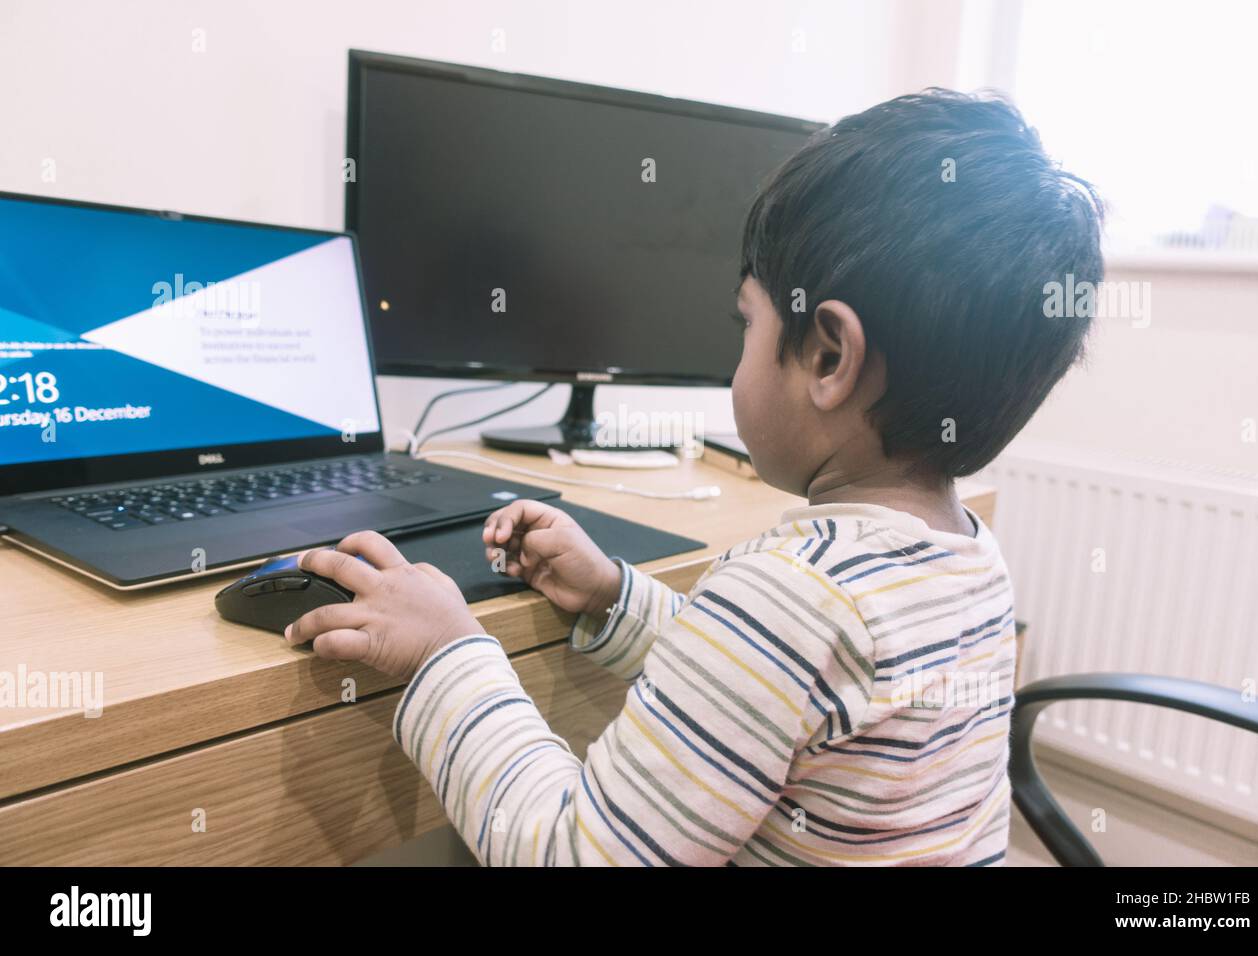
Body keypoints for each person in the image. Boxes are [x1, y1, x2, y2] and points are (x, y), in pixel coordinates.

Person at [286, 89, 1103, 865]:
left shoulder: (795, 595)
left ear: (828, 355)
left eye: (745, 322)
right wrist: (615, 595)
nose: (735, 353)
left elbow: (569, 854)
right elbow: (767, 697)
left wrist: (447, 647)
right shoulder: (967, 559)